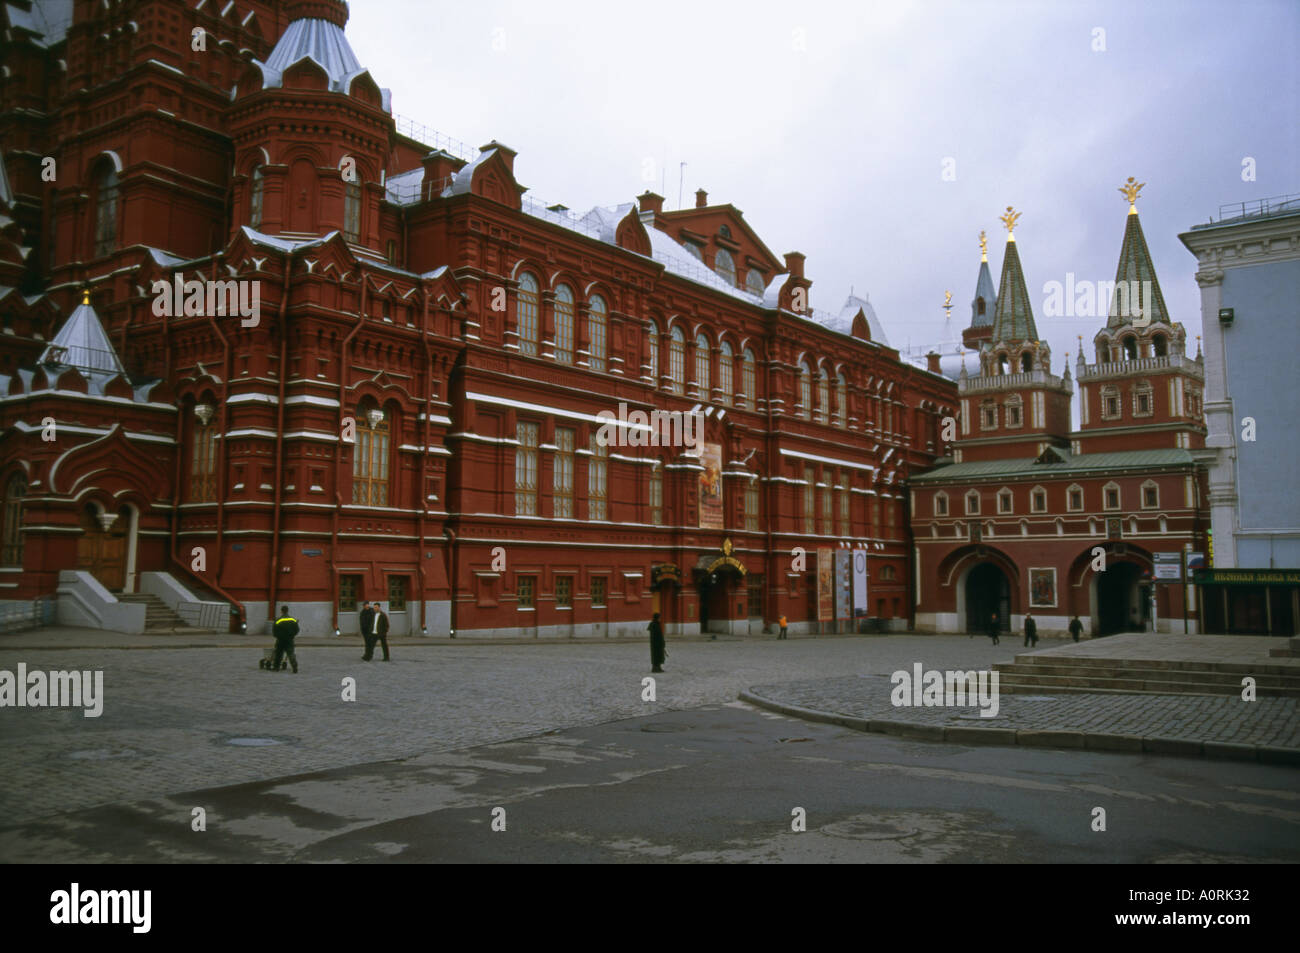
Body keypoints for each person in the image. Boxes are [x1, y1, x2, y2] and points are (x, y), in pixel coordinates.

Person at [272, 605, 299, 673]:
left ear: (281, 611)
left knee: (278, 654)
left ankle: (276, 667)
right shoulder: (292, 620)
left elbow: (274, 631)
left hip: (280, 640)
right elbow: (297, 630)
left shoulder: (278, 620)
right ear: (287, 611)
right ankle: (294, 666)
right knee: (291, 653)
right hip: (289, 639)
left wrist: (277, 636)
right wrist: (292, 635)